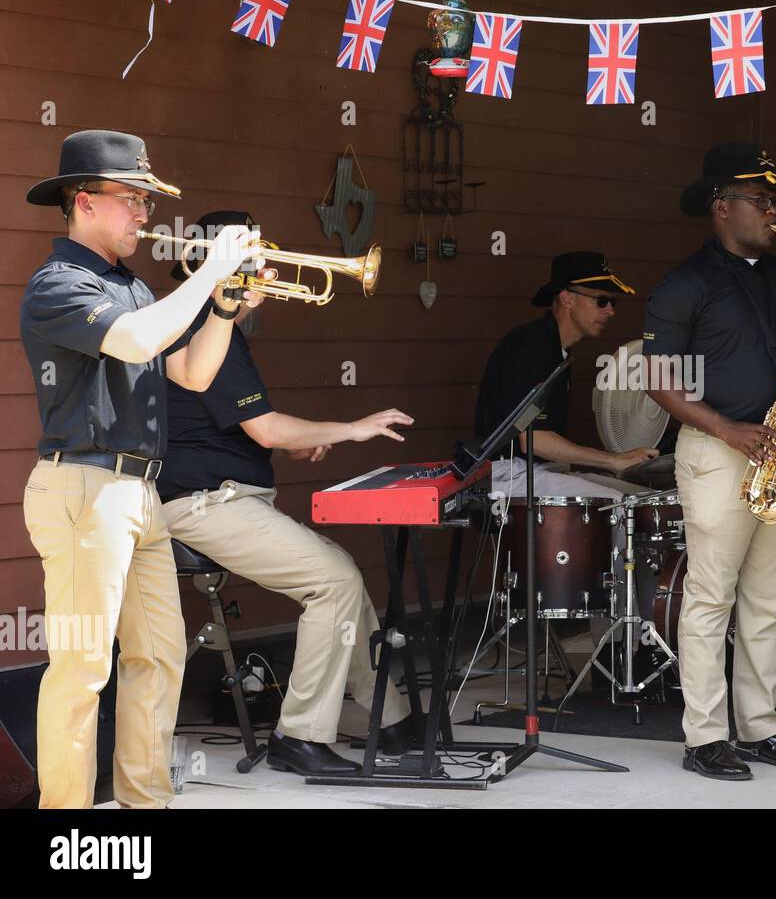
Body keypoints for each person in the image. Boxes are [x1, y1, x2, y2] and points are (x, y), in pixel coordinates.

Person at [20, 130, 261, 808]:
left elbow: (189, 370)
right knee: (82, 668)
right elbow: (136, 340)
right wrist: (210, 271)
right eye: (133, 200)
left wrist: (222, 309)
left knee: (160, 657)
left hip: (138, 492)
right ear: (84, 201)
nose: (145, 215)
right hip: (84, 487)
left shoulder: (130, 285)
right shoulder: (57, 285)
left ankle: (141, 810)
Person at [158, 211, 419, 777]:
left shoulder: (214, 326)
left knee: (340, 572)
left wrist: (305, 441)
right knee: (333, 580)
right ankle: (298, 737)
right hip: (206, 503)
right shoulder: (206, 325)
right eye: (253, 255)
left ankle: (391, 719)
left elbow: (245, 430)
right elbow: (269, 429)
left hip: (228, 494)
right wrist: (351, 428)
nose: (269, 267)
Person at [643, 143, 776, 780]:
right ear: (721, 208)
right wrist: (728, 428)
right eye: (762, 201)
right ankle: (705, 736)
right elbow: (659, 379)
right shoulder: (684, 284)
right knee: (709, 599)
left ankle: (760, 727)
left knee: (768, 597)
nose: (774, 212)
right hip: (718, 451)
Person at [474, 251, 655, 500]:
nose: (610, 310)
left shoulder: (556, 348)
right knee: (618, 502)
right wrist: (612, 461)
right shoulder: (531, 345)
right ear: (567, 298)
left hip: (539, 470)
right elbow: (534, 440)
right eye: (602, 301)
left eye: (614, 302)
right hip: (509, 473)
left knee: (641, 496)